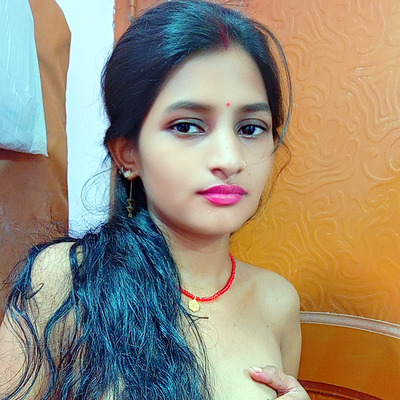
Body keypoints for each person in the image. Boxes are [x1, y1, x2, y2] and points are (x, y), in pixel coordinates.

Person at [0, 1, 310, 399]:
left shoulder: (278, 303)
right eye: (187, 126)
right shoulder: (67, 280)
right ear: (128, 153)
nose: (230, 159)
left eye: (251, 128)